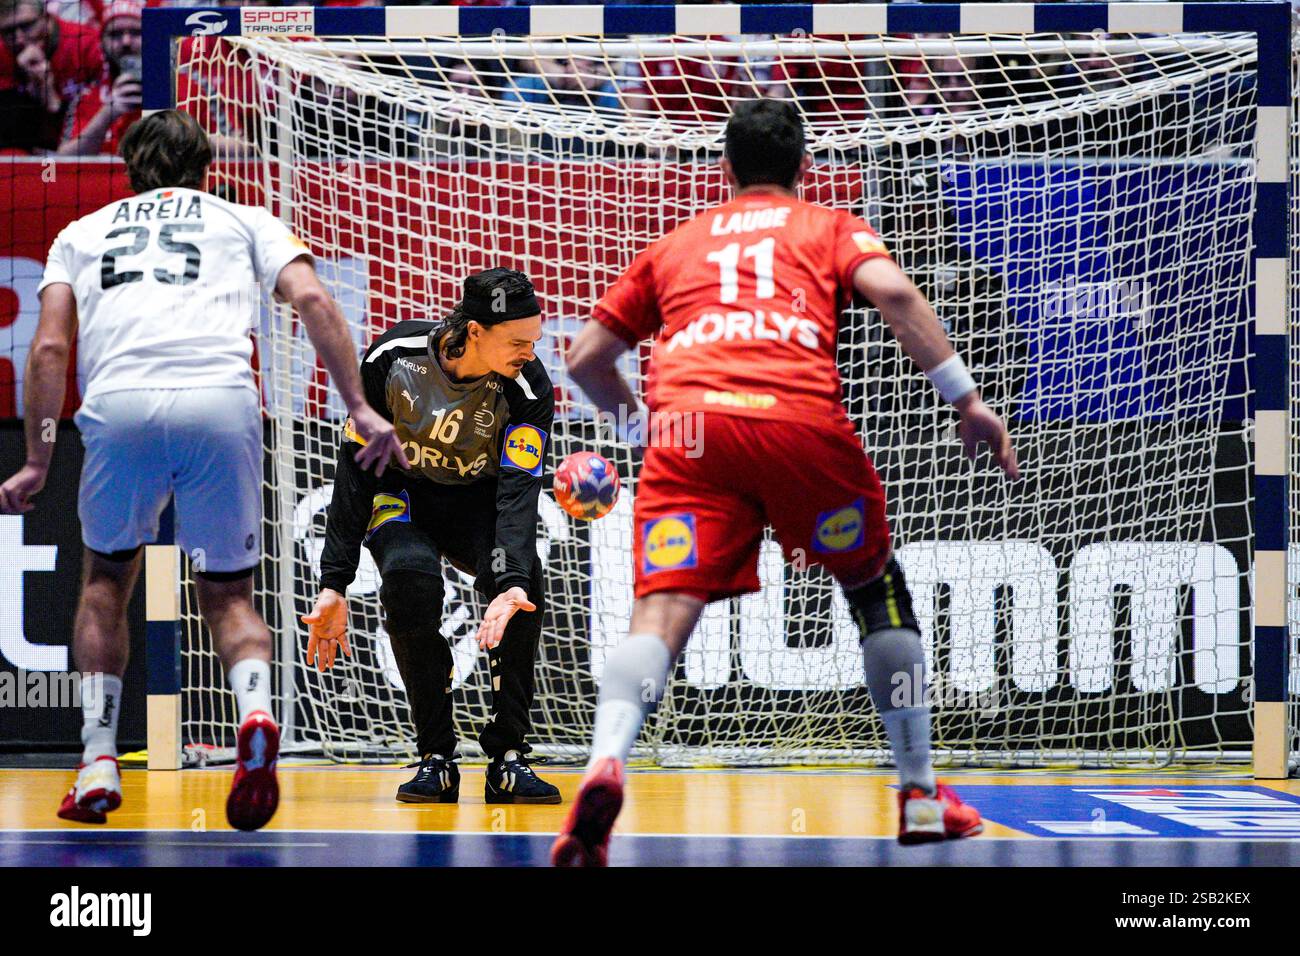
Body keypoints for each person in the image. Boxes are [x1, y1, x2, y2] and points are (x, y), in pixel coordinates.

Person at [554, 98, 1020, 866]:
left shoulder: (677, 243)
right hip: (796, 421)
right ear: (805, 169)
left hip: (689, 433)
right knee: (873, 587)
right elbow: (898, 297)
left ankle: (606, 759)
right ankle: (920, 793)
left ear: (725, 169)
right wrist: (968, 401)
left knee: (660, 615)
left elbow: (583, 360)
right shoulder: (827, 225)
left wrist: (641, 426)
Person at [0, 110, 404, 830]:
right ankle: (254, 716)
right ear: (206, 166)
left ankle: (96, 758)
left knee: (103, 582)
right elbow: (313, 299)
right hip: (220, 401)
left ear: (129, 168)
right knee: (227, 595)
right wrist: (361, 409)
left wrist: (38, 458)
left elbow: (48, 351)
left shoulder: (79, 234)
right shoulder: (245, 217)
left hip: (119, 404)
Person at [303, 268, 562, 806]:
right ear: (473, 332)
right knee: (409, 581)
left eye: (533, 340)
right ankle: (436, 757)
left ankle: (509, 758)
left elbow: (519, 491)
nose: (529, 352)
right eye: (517, 342)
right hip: (404, 501)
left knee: (520, 587)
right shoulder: (391, 358)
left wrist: (510, 581)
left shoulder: (529, 387)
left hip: (478, 505)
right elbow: (356, 471)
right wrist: (335, 583)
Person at [0, 0, 102, 152]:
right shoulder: (2, 55)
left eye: (27, 26)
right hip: (27, 154)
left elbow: (100, 124)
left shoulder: (88, 45)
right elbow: (8, 134)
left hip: (82, 151)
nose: (19, 38)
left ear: (47, 17)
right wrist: (31, 93)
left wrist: (52, 101)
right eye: (9, 31)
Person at [57, 0, 142, 156]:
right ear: (101, 42)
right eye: (115, 34)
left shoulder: (183, 90)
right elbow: (64, 161)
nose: (126, 42)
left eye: (136, 32)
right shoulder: (86, 98)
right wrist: (108, 114)